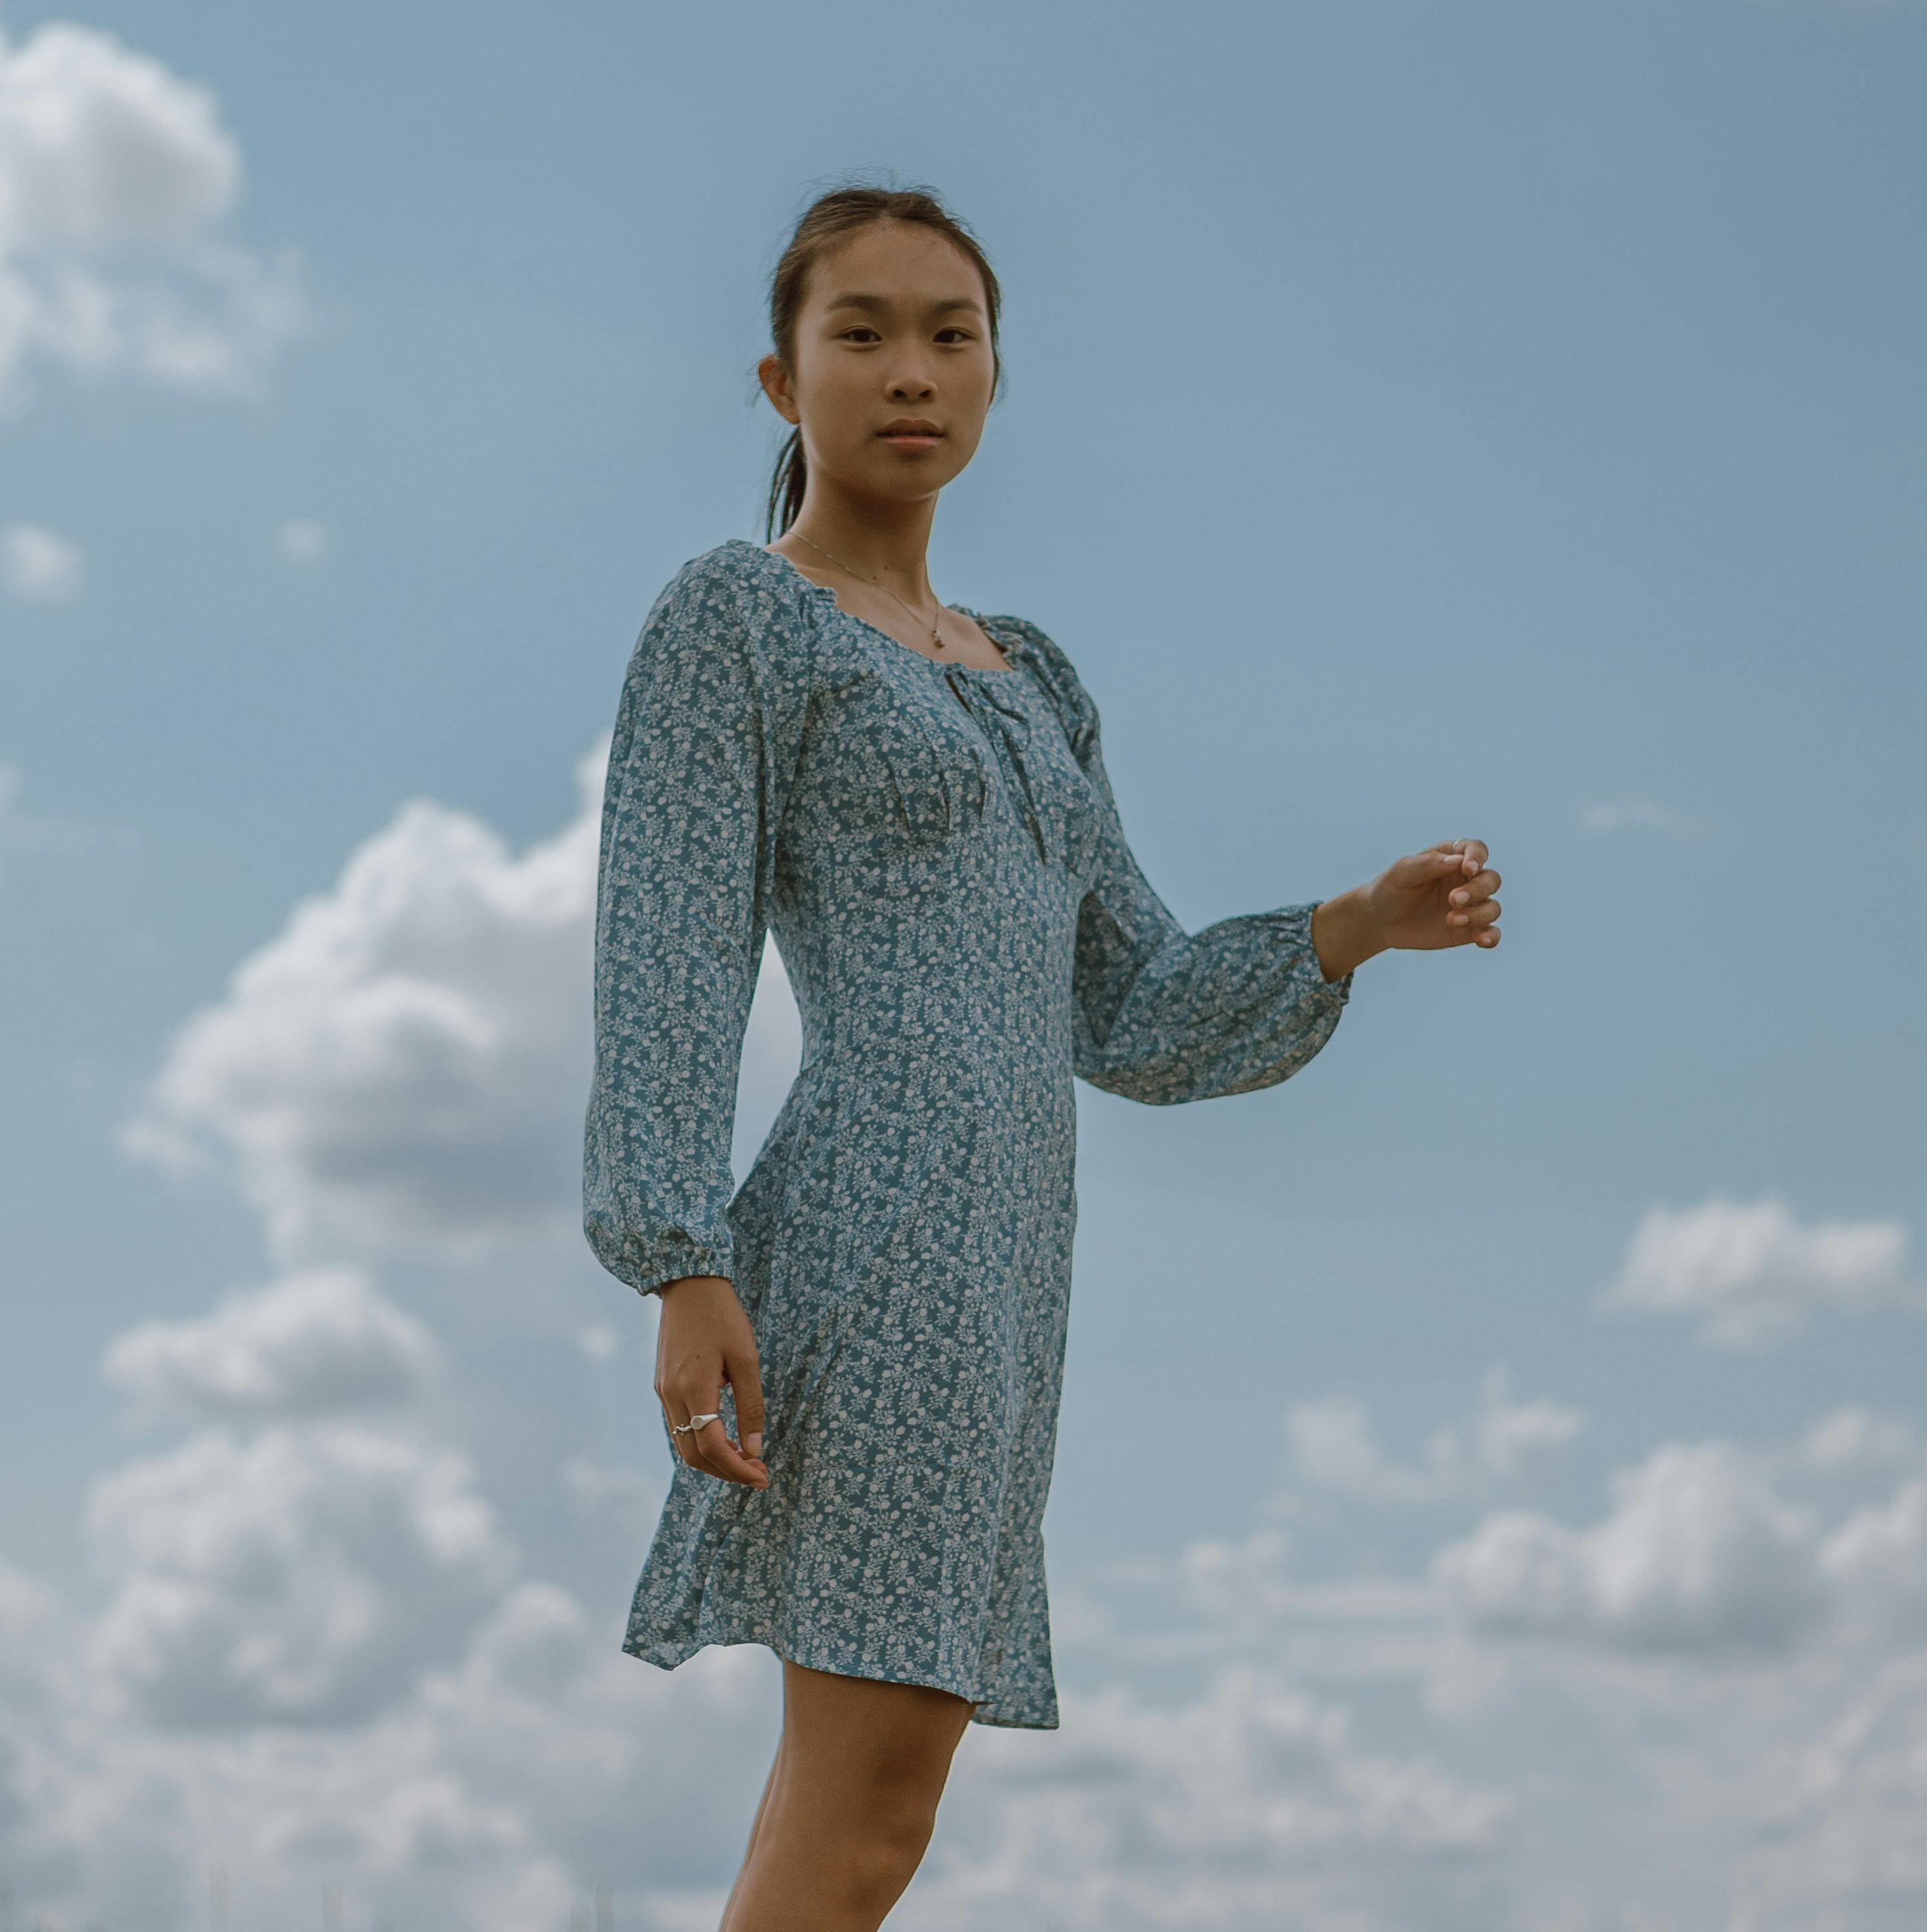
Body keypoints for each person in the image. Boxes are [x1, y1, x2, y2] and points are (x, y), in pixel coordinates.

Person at [582, 182, 1503, 1931]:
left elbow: (1133, 1009)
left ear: (997, 376)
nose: (908, 372)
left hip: (1012, 1275)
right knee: (868, 1804)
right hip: (875, 1236)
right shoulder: (737, 619)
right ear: (780, 382)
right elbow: (667, 945)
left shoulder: (1036, 678)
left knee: (867, 1799)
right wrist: (678, 1257)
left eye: (950, 334)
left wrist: (1348, 927)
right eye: (857, 333)